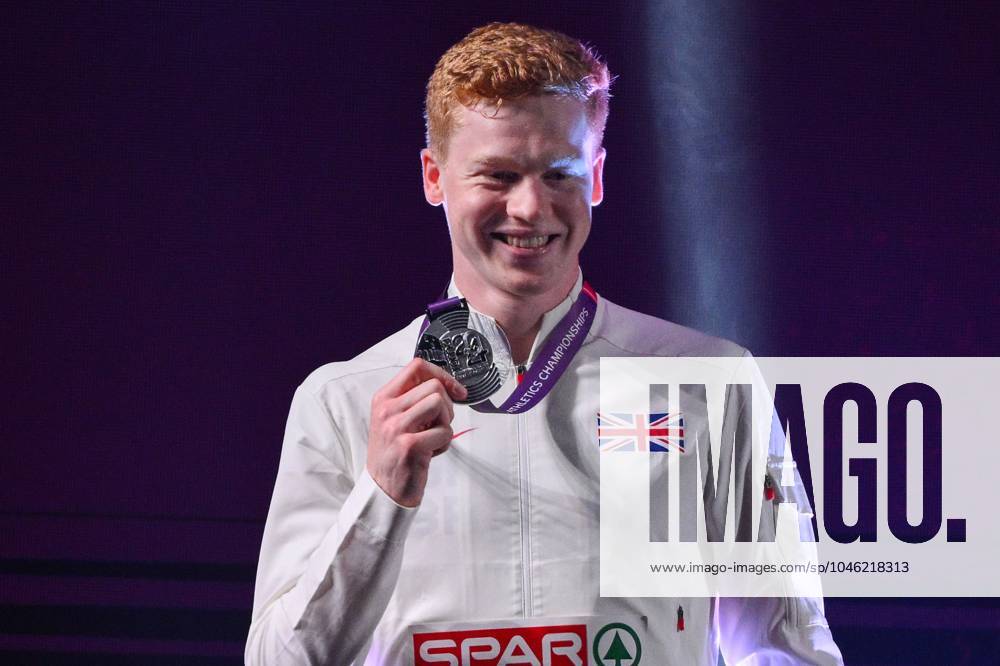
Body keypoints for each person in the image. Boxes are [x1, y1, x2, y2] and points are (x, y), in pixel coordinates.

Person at [246, 22, 843, 665]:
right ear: (434, 178)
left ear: (598, 176)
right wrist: (380, 496)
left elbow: (788, 650)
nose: (530, 208)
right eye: (498, 175)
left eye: (559, 175)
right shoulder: (342, 400)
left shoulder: (709, 381)